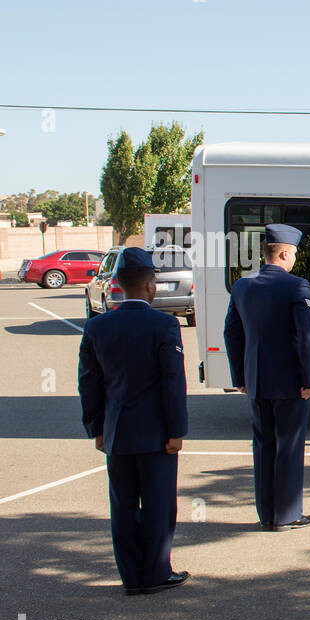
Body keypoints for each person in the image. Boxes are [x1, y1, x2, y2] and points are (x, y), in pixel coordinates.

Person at [77, 246, 190, 595]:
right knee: (158, 504)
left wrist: (96, 428)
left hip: (117, 433)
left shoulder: (97, 326)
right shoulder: (164, 324)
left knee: (123, 506)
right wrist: (176, 430)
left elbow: (88, 382)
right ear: (150, 285)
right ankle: (156, 573)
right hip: (155, 434)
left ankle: (131, 576)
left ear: (118, 284)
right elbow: (173, 381)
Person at [224, 223, 310, 532]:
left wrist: (240, 376)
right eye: (293, 255)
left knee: (263, 446)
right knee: (288, 447)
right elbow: (305, 338)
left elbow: (232, 333)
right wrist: (309, 380)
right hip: (290, 382)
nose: (294, 260)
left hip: (256, 381)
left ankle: (266, 513)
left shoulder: (241, 286)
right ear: (284, 253)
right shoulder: (296, 286)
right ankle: (287, 514)